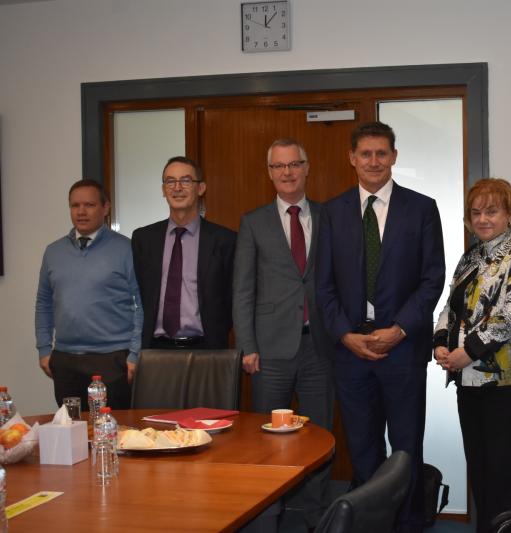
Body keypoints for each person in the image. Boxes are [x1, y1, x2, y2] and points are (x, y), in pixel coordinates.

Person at [316, 121, 446, 533]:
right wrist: (344, 334)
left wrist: (401, 329)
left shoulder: (421, 208)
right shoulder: (332, 212)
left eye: (382, 153)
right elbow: (323, 284)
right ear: (352, 159)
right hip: (351, 352)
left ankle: (407, 525)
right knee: (363, 448)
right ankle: (370, 526)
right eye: (365, 154)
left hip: (402, 349)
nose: (374, 161)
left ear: (394, 156)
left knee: (406, 447)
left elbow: (433, 278)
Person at [433, 178, 511, 533]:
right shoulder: (471, 256)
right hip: (472, 384)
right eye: (477, 212)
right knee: (485, 478)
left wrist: (466, 352)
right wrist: (441, 343)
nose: (483, 219)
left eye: (492, 210)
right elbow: (450, 308)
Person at [233, 138, 334, 530]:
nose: (287, 172)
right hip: (269, 350)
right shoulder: (253, 221)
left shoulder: (329, 217)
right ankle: (267, 516)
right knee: (266, 440)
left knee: (319, 436)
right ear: (270, 173)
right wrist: (247, 346)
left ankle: (316, 517)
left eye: (294, 164)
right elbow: (243, 289)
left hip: (320, 347)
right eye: (279, 166)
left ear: (307, 168)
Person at [35, 179, 143, 409]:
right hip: (65, 360)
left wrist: (134, 354)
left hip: (113, 360)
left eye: (89, 205)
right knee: (72, 434)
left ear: (105, 208)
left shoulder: (126, 249)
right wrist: (44, 349)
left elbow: (141, 303)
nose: (81, 212)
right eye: (75, 206)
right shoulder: (53, 252)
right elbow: (43, 302)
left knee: (112, 433)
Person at [132, 156, 236, 350]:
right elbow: (139, 294)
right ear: (163, 190)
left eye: (186, 180)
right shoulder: (143, 239)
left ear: (201, 188)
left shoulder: (225, 240)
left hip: (207, 349)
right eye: (170, 181)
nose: (177, 187)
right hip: (155, 350)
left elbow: (233, 298)